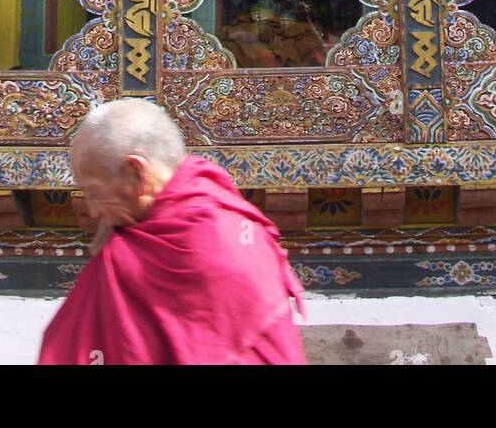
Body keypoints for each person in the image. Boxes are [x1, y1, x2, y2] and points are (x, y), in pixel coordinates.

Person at [38, 98, 307, 366]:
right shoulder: (226, 218)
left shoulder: (210, 244)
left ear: (136, 173)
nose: (93, 211)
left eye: (94, 193)